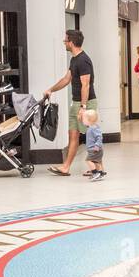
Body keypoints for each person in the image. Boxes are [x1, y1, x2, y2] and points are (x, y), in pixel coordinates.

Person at [42, 29, 95, 177]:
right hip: (76, 102)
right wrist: (51, 90)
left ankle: (97, 167)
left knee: (92, 135)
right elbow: (67, 79)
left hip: (87, 103)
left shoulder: (83, 60)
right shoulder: (74, 59)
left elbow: (86, 84)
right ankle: (66, 167)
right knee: (73, 135)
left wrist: (83, 107)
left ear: (71, 42)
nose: (64, 43)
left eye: (65, 40)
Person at [81, 108, 106, 181]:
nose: (82, 121)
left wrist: (97, 145)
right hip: (94, 149)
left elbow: (99, 137)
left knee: (88, 160)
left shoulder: (93, 128)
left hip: (94, 149)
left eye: (83, 119)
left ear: (89, 120)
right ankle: (100, 172)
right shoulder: (93, 127)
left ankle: (95, 173)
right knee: (96, 161)